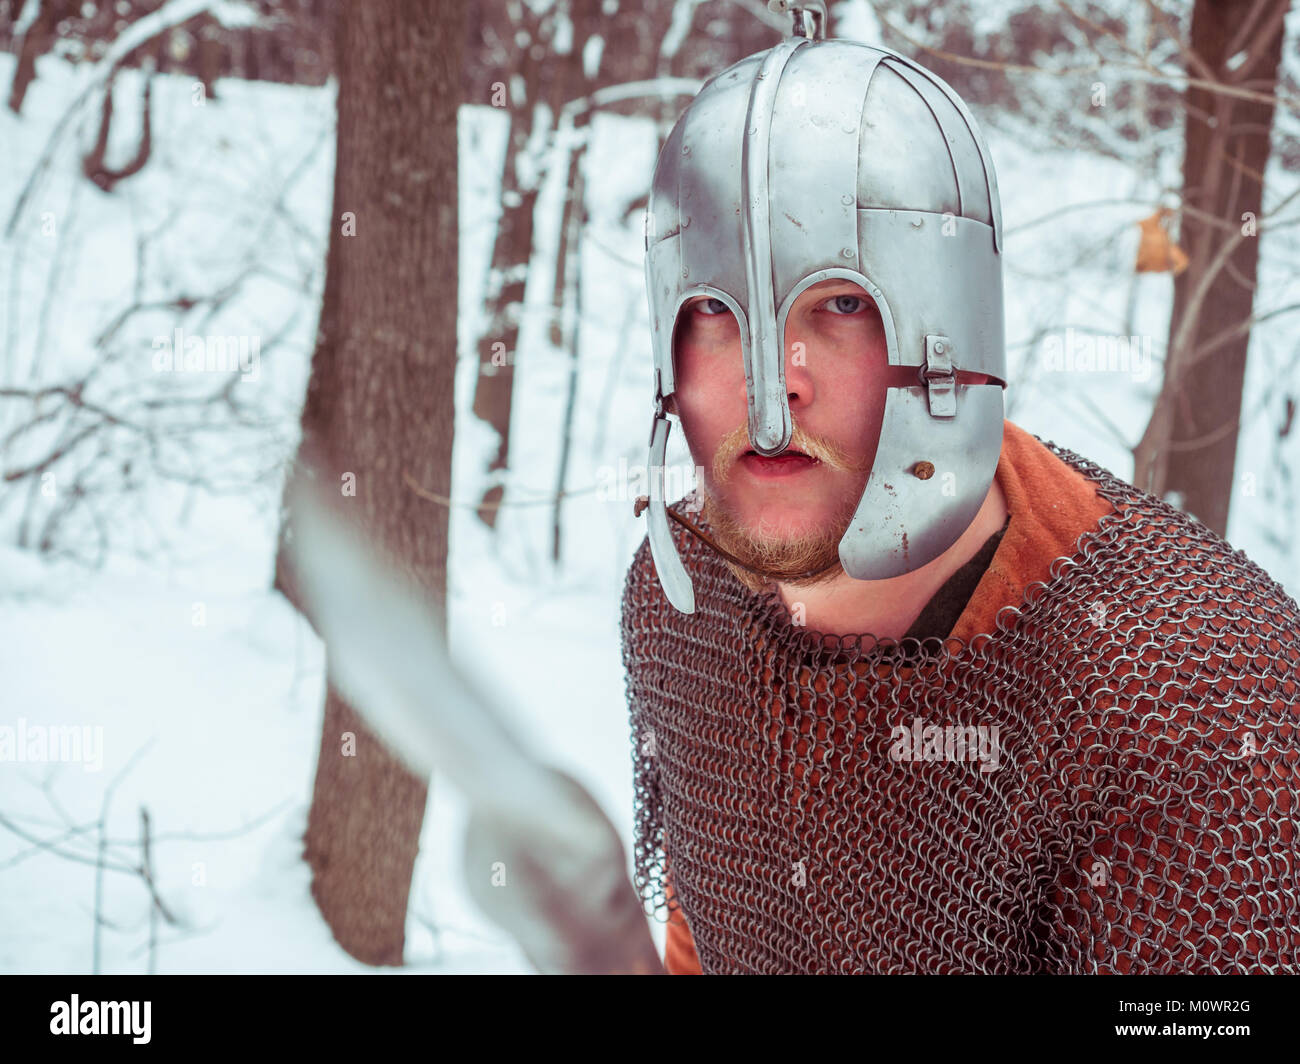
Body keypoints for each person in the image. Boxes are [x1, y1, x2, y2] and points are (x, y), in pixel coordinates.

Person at [620, 8, 1300, 974]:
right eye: (718, 317)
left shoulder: (1193, 701)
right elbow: (712, 932)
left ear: (951, 328)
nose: (777, 383)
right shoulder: (678, 596)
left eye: (842, 305)